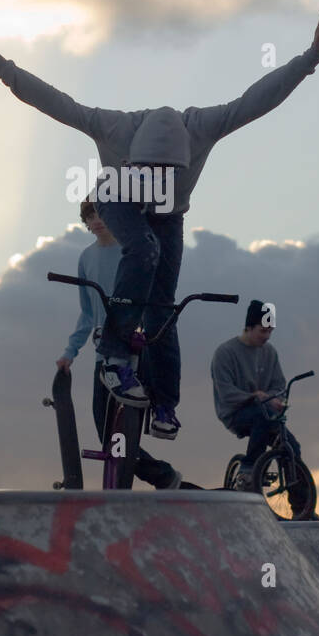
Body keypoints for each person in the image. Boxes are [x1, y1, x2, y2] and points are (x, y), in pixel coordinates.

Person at [0, 8, 319, 442]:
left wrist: (312, 56)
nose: (156, 188)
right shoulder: (112, 127)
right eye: (150, 179)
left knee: (163, 309)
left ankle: (165, 402)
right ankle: (115, 354)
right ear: (132, 160)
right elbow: (52, 100)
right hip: (116, 199)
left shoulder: (204, 126)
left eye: (166, 180)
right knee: (143, 250)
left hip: (170, 218)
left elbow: (258, 99)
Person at [56, 198, 181, 488]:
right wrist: (69, 352)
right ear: (85, 223)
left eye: (101, 213)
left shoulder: (137, 251)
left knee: (139, 413)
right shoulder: (86, 258)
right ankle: (161, 475)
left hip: (140, 341)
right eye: (89, 216)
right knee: (105, 432)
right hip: (106, 347)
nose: (96, 220)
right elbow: (87, 313)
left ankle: (164, 411)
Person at [210, 299, 315, 517]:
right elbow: (225, 392)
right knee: (261, 417)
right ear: (249, 327)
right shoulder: (225, 352)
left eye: (270, 332)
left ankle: (301, 508)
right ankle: (249, 469)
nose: (266, 336)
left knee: (292, 448)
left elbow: (278, 384)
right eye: (262, 331)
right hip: (235, 411)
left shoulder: (270, 352)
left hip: (266, 411)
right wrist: (253, 396)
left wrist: (276, 398)